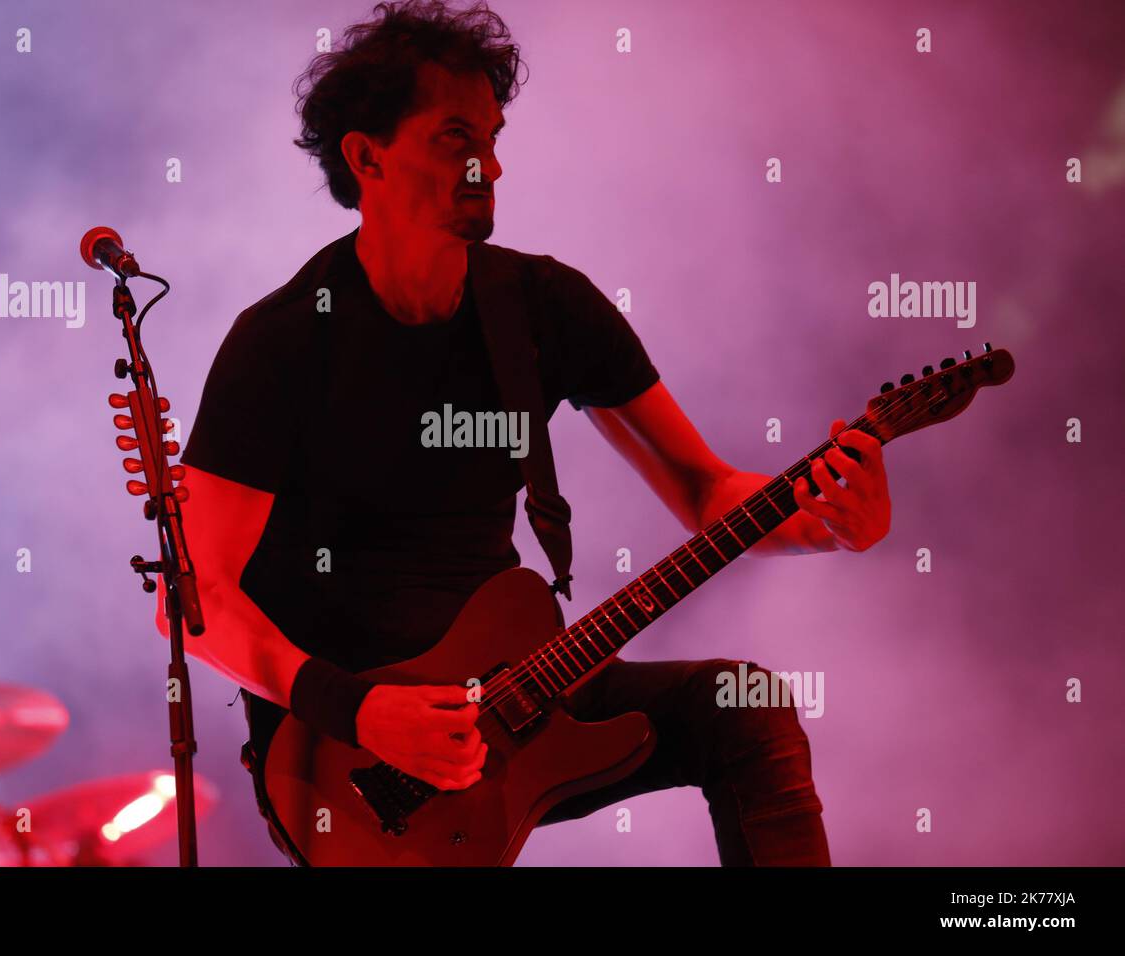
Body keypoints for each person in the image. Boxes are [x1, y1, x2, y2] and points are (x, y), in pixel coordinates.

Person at [158, 0, 891, 866]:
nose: (489, 165)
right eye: (453, 136)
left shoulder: (544, 307)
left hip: (520, 691)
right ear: (367, 157)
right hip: (353, 756)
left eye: (495, 136)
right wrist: (356, 710)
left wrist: (819, 524)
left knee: (745, 706)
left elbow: (705, 491)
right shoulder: (283, 340)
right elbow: (192, 602)